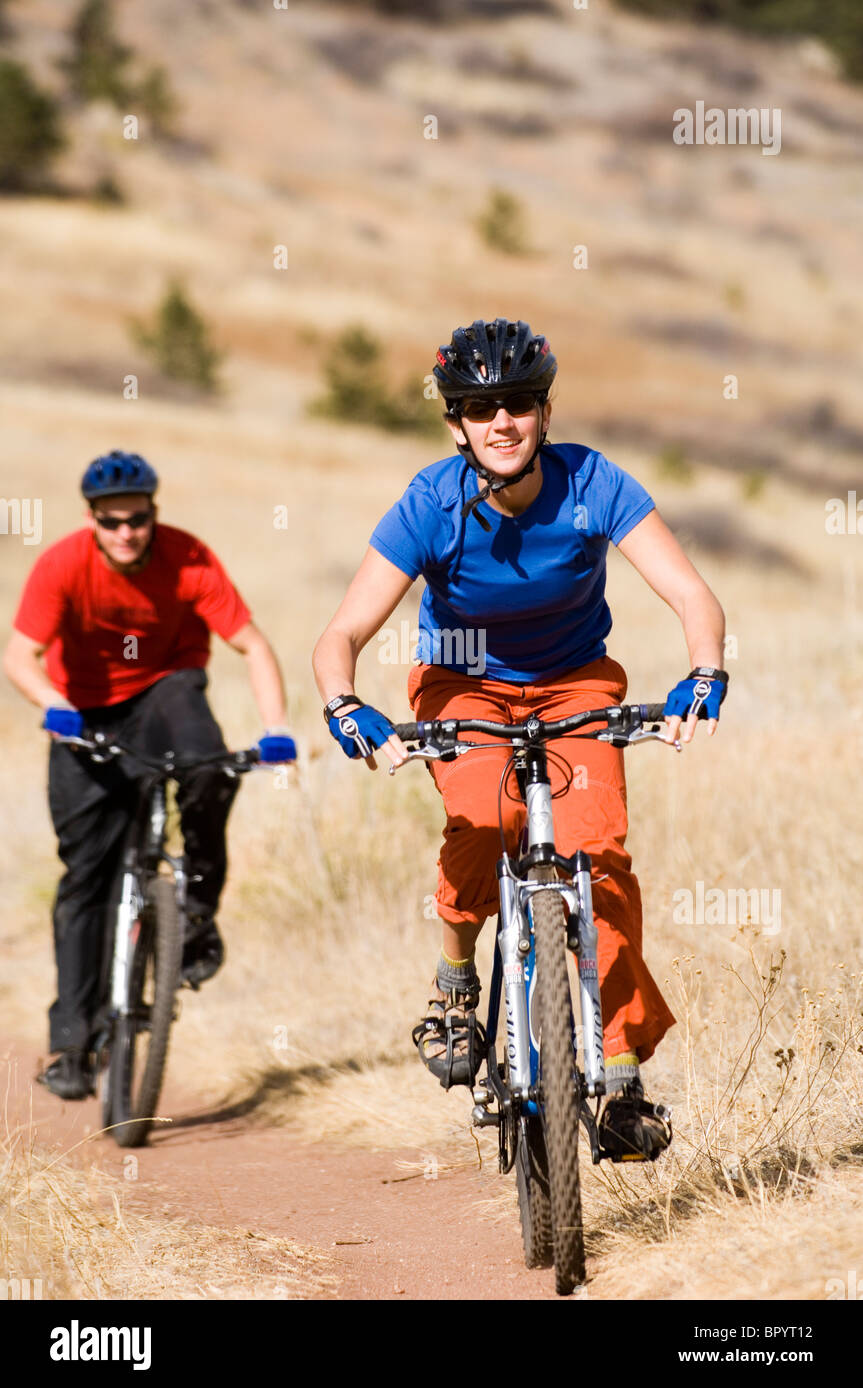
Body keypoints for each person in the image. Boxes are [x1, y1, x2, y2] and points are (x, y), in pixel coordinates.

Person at [312, 318, 727, 1158]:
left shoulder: (594, 481)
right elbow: (341, 634)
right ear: (456, 422)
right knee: (481, 820)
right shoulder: (430, 503)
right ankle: (457, 985)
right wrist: (345, 705)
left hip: (574, 682)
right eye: (477, 407)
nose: (499, 422)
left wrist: (703, 672)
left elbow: (691, 594)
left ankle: (616, 1077)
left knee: (597, 856)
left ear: (543, 411)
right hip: (462, 684)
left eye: (517, 405)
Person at [3, 450, 294, 1101]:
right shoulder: (62, 565)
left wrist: (276, 731)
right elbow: (21, 656)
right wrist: (57, 709)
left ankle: (194, 910)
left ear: (153, 514)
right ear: (92, 520)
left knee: (211, 769)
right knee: (86, 878)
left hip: (167, 690)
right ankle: (73, 1046)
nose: (127, 533)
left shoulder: (187, 557)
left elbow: (253, 644)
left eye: (137, 520)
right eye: (112, 523)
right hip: (85, 716)